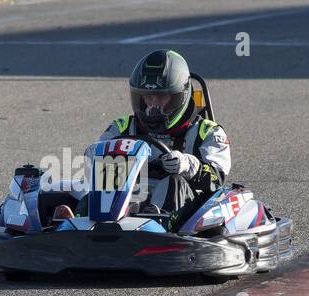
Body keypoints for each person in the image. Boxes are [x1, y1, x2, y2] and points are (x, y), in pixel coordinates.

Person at [96, 49, 231, 220]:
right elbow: (97, 155)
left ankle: (157, 224)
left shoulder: (207, 132)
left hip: (181, 210)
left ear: (180, 96)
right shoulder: (122, 127)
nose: (153, 105)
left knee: (173, 181)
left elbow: (216, 178)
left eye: (161, 97)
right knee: (105, 174)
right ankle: (81, 219)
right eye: (147, 97)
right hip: (130, 198)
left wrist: (187, 165)